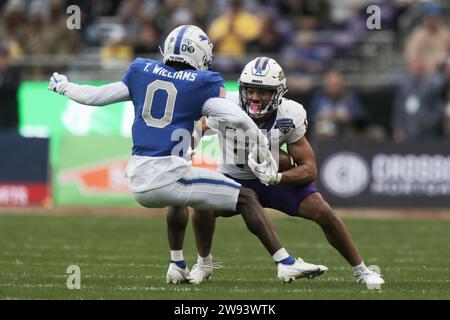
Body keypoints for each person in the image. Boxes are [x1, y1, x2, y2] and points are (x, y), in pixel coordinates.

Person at [48, 25, 327, 284]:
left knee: (181, 194)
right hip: (167, 174)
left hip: (137, 176)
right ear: (199, 52)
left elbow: (94, 97)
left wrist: (63, 85)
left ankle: (177, 264)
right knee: (247, 197)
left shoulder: (141, 71)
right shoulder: (202, 82)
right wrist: (262, 147)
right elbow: (239, 119)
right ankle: (285, 262)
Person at [177, 57, 384, 288]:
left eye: (263, 92)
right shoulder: (226, 106)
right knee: (200, 203)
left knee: (322, 211)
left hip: (272, 180)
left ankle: (361, 270)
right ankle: (204, 264)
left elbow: (309, 169)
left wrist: (278, 177)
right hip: (233, 177)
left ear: (278, 92)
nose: (255, 97)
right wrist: (188, 147)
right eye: (251, 90)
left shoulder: (290, 114)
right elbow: (197, 126)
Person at [0, 43, 20, 132]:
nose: (3, 61)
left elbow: (13, 89)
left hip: (10, 118)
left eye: (5, 57)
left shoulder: (14, 73)